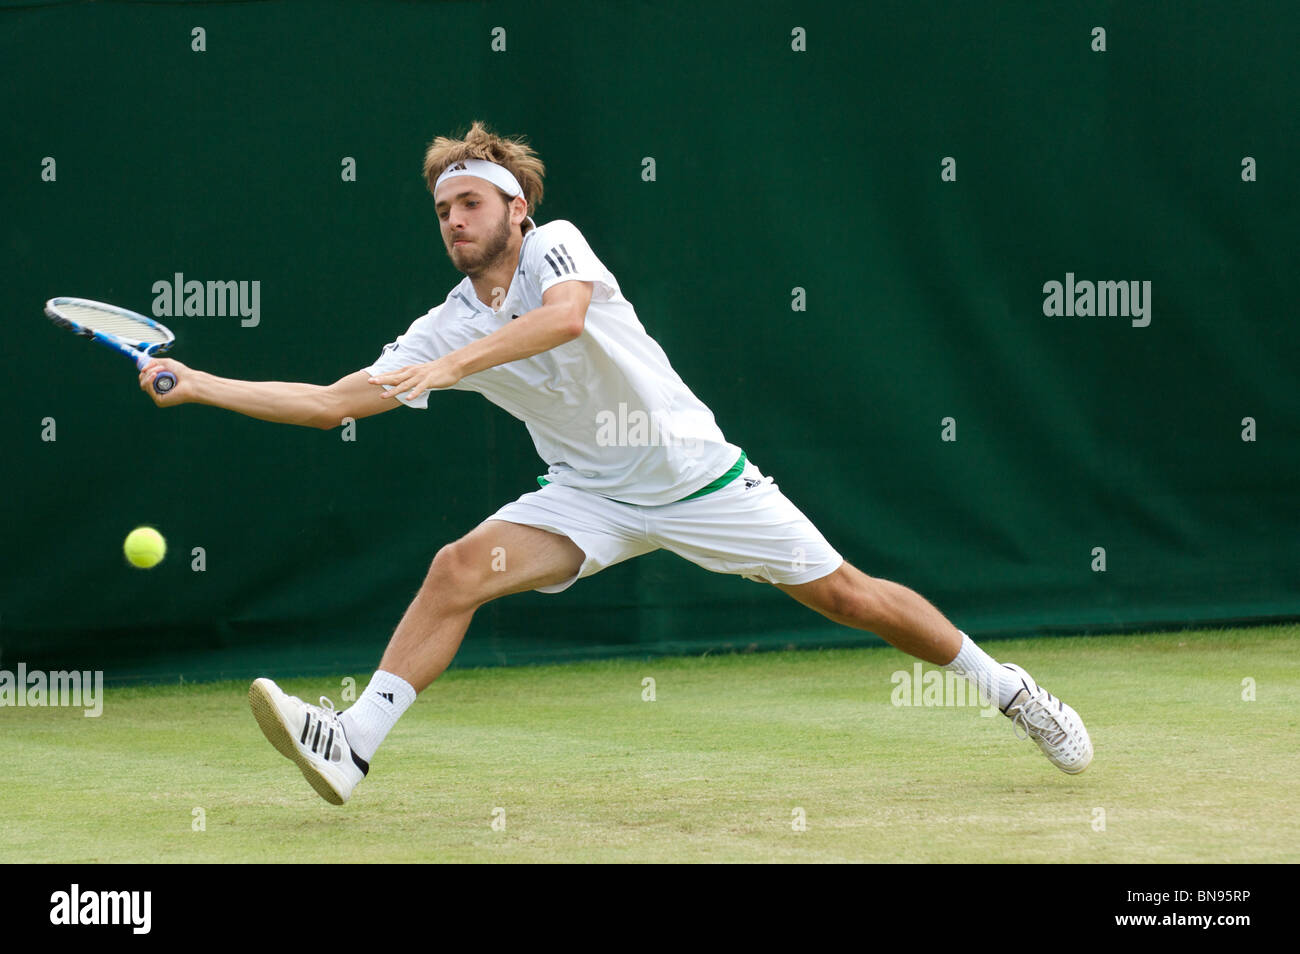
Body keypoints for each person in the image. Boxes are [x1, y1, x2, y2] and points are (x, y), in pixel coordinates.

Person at [140, 122, 1091, 805]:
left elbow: (563, 320)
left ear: (514, 207)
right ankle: (352, 744)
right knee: (457, 568)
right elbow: (332, 404)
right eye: (442, 210)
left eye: (470, 202)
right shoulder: (445, 320)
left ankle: (1009, 690)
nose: (454, 221)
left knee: (850, 595)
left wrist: (455, 366)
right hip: (588, 497)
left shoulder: (556, 247)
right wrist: (203, 382)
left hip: (694, 478)